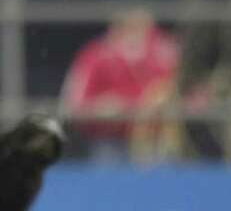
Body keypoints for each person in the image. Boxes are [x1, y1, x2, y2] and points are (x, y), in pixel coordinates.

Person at [59, 9, 180, 163]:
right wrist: (100, 108)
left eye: (145, 28)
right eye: (131, 27)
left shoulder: (167, 53)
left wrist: (168, 104)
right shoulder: (95, 56)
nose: (138, 36)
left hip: (158, 140)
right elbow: (72, 105)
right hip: (112, 140)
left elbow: (191, 96)